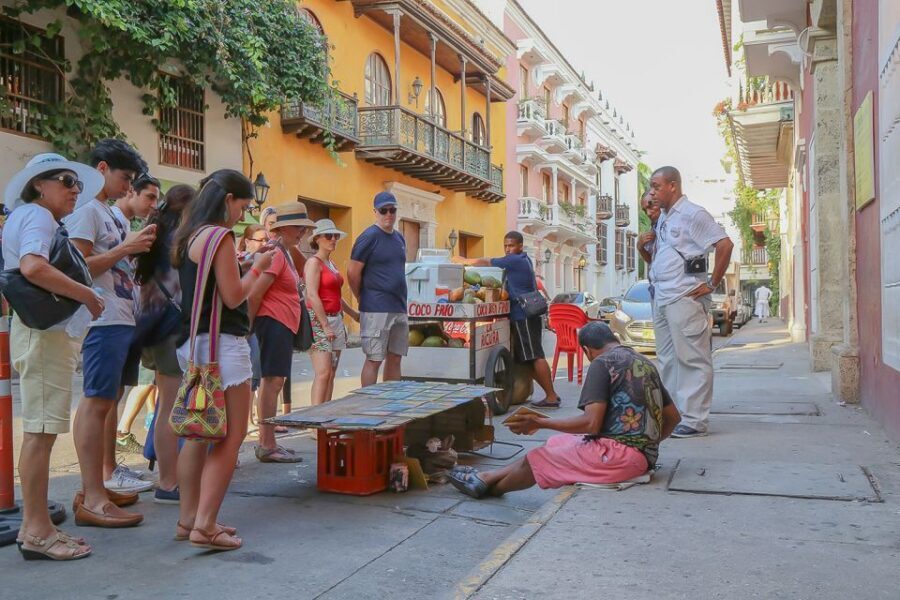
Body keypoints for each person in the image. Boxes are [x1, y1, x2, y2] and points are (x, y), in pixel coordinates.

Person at [447, 322, 681, 498]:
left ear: (587, 350)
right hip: (638, 458)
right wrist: (646, 446)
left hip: (618, 458)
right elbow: (673, 418)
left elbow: (591, 424)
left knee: (541, 457)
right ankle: (486, 480)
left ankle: (489, 486)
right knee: (555, 445)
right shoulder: (645, 363)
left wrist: (540, 423)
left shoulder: (602, 364)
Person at [3, 153, 105, 560]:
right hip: (44, 336)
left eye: (76, 182)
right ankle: (38, 531)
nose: (74, 189)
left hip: (39, 334)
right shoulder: (39, 217)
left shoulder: (29, 217)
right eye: (66, 180)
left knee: (40, 433)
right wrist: (87, 294)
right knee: (41, 435)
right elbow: (32, 267)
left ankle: (35, 527)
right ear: (38, 185)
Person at [171, 169, 274, 551]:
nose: (242, 215)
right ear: (228, 199)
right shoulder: (220, 236)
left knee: (198, 435)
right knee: (230, 440)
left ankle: (188, 520)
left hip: (194, 345)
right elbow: (233, 297)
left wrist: (245, 267)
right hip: (224, 348)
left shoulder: (189, 236)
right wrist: (259, 270)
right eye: (243, 206)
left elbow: (211, 287)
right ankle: (206, 524)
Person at [64, 139, 155, 527]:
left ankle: (99, 485)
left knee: (107, 401)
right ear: (102, 169)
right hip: (101, 321)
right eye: (125, 178)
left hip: (120, 317)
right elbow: (77, 268)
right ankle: (92, 495)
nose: (128, 187)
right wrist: (126, 249)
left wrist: (131, 250)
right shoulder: (87, 211)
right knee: (96, 402)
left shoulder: (111, 214)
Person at [648, 166, 734, 438]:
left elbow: (724, 244)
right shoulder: (664, 218)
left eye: (656, 186)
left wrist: (712, 283)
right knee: (668, 359)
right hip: (662, 296)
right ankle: (674, 415)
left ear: (673, 185)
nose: (652, 193)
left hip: (684, 296)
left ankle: (695, 420)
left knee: (692, 358)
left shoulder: (692, 213)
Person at [133, 183, 196, 503]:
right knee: (171, 408)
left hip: (153, 326)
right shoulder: (178, 242)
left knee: (164, 406)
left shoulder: (154, 235)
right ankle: (168, 482)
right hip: (172, 328)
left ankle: (167, 477)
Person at [101, 172, 161, 494]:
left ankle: (111, 467)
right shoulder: (109, 219)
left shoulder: (124, 225)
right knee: (104, 398)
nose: (153, 205)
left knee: (116, 395)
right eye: (149, 197)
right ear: (130, 192)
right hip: (107, 319)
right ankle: (106, 470)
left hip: (126, 317)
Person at [454, 231, 561, 408]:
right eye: (505, 246)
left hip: (523, 315)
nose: (508, 249)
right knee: (527, 359)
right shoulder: (523, 260)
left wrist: (464, 261)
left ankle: (550, 396)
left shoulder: (515, 260)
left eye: (511, 246)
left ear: (520, 246)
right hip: (524, 315)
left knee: (535, 356)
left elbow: (487, 261)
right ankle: (551, 394)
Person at [249, 203, 314, 463]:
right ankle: (266, 443)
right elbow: (255, 293)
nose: (302, 233)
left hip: (281, 323)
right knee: (271, 382)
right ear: (284, 228)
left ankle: (269, 441)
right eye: (299, 228)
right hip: (273, 322)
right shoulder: (277, 253)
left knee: (274, 382)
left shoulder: (284, 252)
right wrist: (248, 328)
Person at [348, 191, 409, 386]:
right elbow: (352, 272)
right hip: (376, 308)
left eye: (392, 210)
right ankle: (369, 403)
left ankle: (391, 402)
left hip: (399, 307)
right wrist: (361, 296)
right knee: (375, 358)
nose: (388, 214)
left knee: (396, 356)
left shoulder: (399, 238)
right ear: (375, 211)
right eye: (384, 210)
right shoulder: (369, 237)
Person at [305, 219, 359, 405]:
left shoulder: (331, 263)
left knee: (332, 372)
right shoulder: (314, 263)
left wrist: (353, 314)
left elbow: (335, 295)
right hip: (320, 321)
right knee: (323, 373)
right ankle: (315, 423)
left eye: (335, 236)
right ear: (317, 238)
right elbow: (312, 294)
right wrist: (325, 325)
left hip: (335, 319)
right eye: (329, 236)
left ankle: (324, 419)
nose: (333, 239)